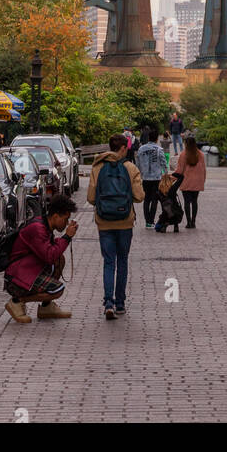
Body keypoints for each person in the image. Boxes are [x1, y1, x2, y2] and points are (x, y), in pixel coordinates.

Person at [87, 134, 144, 320]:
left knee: (109, 262)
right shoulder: (130, 168)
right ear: (122, 148)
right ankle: (120, 303)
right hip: (125, 221)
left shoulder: (97, 167)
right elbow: (139, 196)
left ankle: (108, 303)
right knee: (122, 261)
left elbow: (90, 198)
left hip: (104, 222)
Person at [3, 192, 78, 323]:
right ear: (55, 216)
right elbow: (49, 256)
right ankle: (17, 301)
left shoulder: (44, 225)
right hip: (16, 278)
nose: (66, 224)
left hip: (28, 270)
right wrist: (66, 237)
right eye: (65, 219)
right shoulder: (38, 229)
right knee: (58, 289)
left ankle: (46, 307)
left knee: (60, 260)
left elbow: (52, 252)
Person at [135, 129, 166, 229]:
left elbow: (138, 163)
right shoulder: (159, 149)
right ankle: (151, 221)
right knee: (154, 200)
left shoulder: (141, 149)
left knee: (146, 200)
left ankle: (147, 221)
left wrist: (140, 175)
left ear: (148, 138)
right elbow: (164, 164)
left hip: (145, 178)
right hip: (156, 178)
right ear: (157, 139)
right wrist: (165, 175)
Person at [175, 136, 207, 229]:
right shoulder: (201, 154)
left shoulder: (183, 154)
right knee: (194, 201)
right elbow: (203, 169)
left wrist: (173, 177)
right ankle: (193, 222)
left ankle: (188, 222)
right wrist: (202, 180)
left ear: (186, 144)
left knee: (186, 202)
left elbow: (180, 170)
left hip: (186, 181)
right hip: (197, 182)